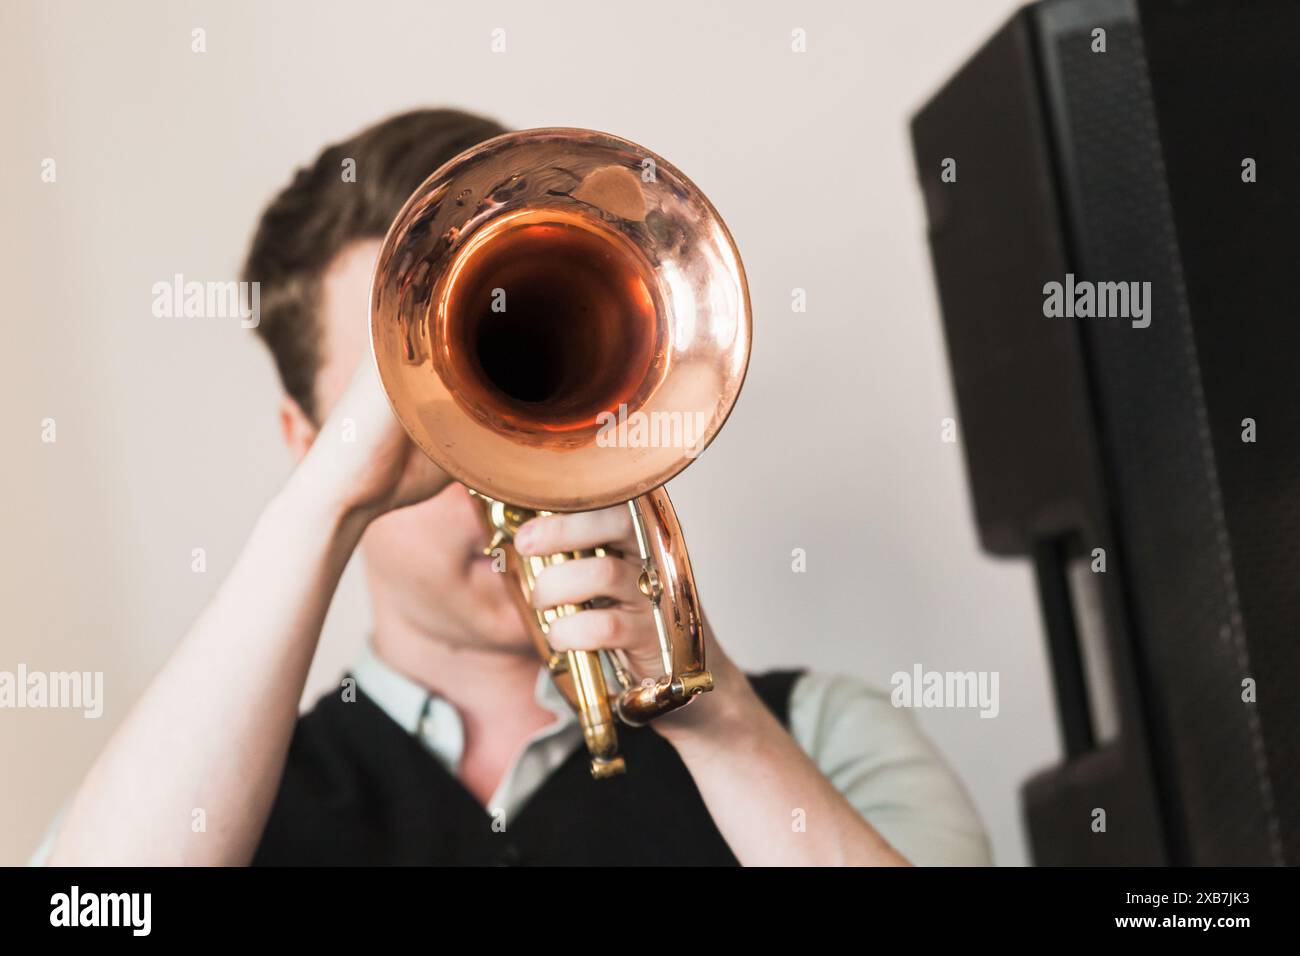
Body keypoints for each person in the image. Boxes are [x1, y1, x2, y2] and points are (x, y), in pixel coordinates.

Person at [37, 109, 991, 866]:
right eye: (416, 407)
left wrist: (725, 729)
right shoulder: (223, 793)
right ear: (305, 442)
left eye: (507, 378)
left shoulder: (814, 728)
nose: (480, 467)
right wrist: (320, 511)